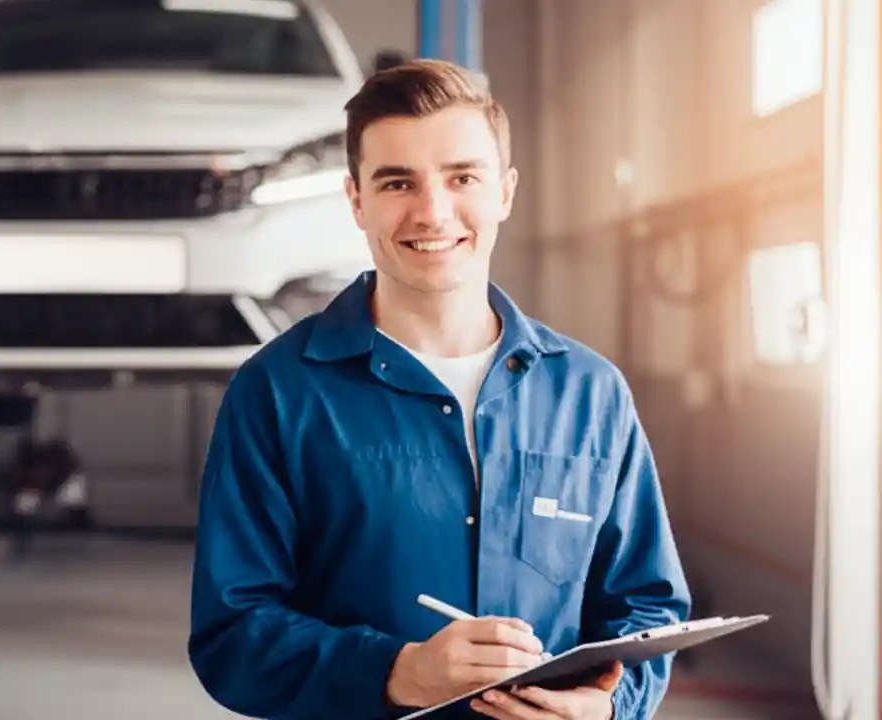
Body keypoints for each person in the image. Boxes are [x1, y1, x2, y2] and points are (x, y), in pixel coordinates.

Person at [187, 59, 691, 720]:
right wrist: (397, 672)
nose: (432, 211)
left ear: (505, 191)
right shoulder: (278, 393)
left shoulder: (589, 393)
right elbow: (233, 635)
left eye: (463, 177)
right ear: (357, 200)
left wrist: (609, 707)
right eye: (398, 182)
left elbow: (647, 605)